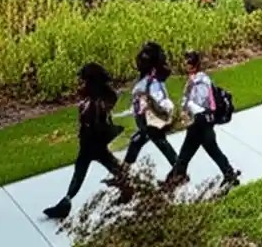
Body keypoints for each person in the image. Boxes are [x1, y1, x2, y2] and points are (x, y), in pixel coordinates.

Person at [43, 63, 131, 220]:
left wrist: (90, 136)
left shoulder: (94, 103)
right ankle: (129, 188)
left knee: (83, 170)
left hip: (91, 143)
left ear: (91, 82)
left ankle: (66, 202)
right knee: (108, 166)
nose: (80, 84)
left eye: (83, 81)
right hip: (92, 143)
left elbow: (95, 123)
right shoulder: (94, 99)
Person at [162, 51, 241, 189]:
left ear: (194, 65)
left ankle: (173, 180)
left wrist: (188, 110)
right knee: (207, 150)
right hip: (199, 123)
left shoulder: (201, 80)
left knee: (187, 154)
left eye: (187, 62)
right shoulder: (194, 79)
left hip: (200, 122)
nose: (185, 65)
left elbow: (202, 102)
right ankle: (229, 174)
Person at [121, 42, 178, 171]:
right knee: (136, 141)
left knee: (161, 143)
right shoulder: (148, 80)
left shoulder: (151, 82)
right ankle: (125, 170)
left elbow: (157, 98)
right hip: (145, 119)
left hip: (150, 119)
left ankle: (179, 169)